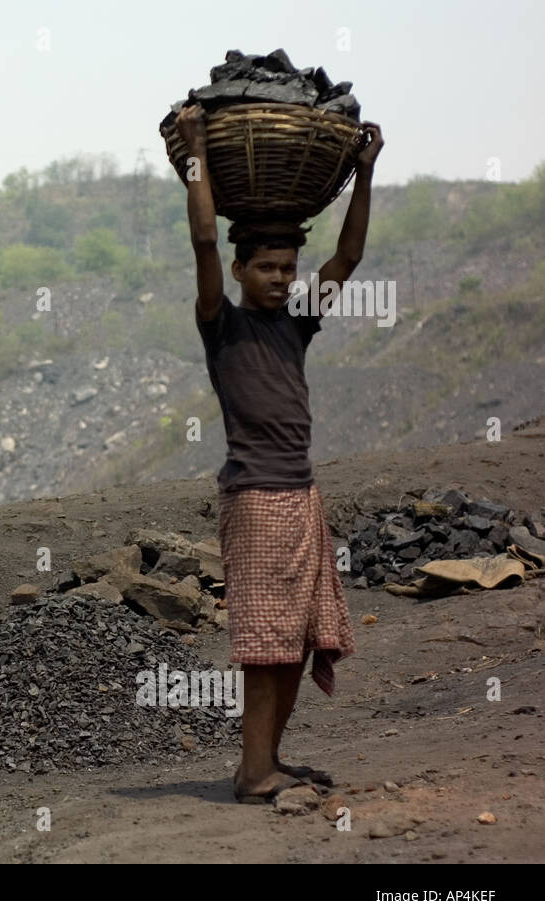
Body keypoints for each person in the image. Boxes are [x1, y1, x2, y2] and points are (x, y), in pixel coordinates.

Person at [177, 103, 384, 802]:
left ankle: (262, 763)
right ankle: (255, 771)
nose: (279, 278)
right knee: (265, 646)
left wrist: (364, 168)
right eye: (264, 266)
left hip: (301, 493)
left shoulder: (297, 327)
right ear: (238, 269)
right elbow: (204, 237)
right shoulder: (222, 324)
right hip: (257, 498)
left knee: (294, 639)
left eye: (287, 267)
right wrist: (199, 147)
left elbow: (349, 256)